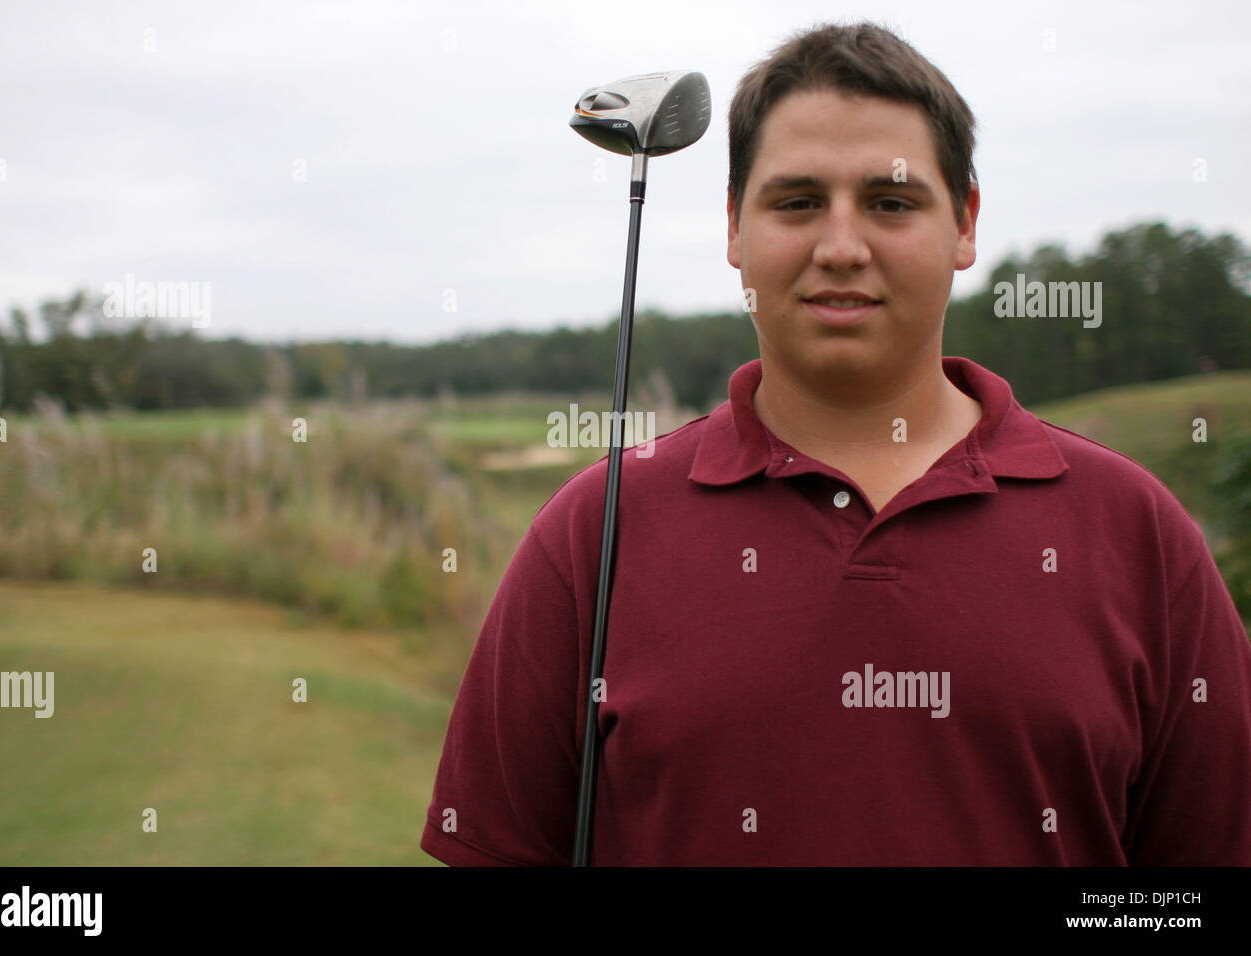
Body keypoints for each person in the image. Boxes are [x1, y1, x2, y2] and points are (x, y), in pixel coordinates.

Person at [419, 21, 1251, 865]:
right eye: (797, 202)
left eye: (890, 203)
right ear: (735, 230)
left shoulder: (1140, 533)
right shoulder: (591, 533)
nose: (842, 247)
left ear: (964, 224)